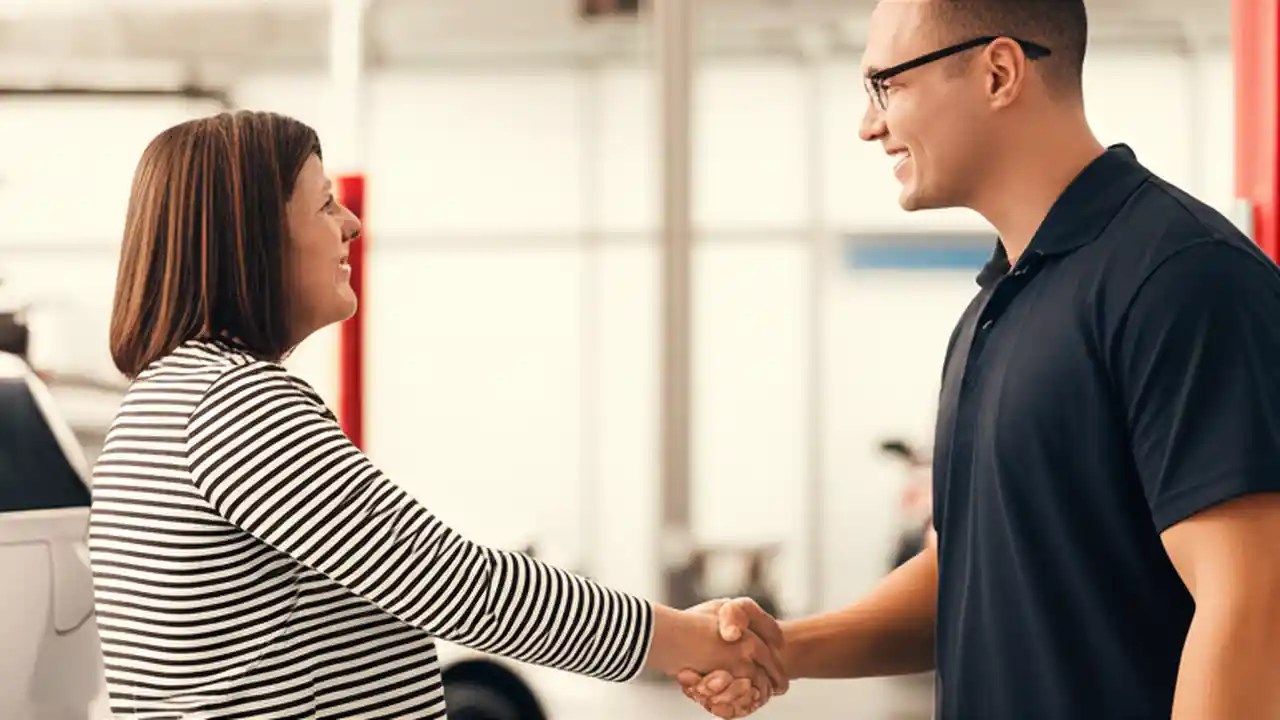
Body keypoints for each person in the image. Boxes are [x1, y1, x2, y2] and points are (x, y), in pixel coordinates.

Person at [679, 0, 1280, 718]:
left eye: (887, 86)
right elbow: (967, 572)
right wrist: (784, 646)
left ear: (998, 72)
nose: (869, 125)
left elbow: (1253, 603)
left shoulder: (1180, 278)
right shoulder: (998, 307)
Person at [87, 110, 790, 719]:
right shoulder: (233, 405)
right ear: (251, 236)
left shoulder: (162, 401)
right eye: (325, 206)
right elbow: (455, 582)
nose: (351, 224)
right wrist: (684, 640)